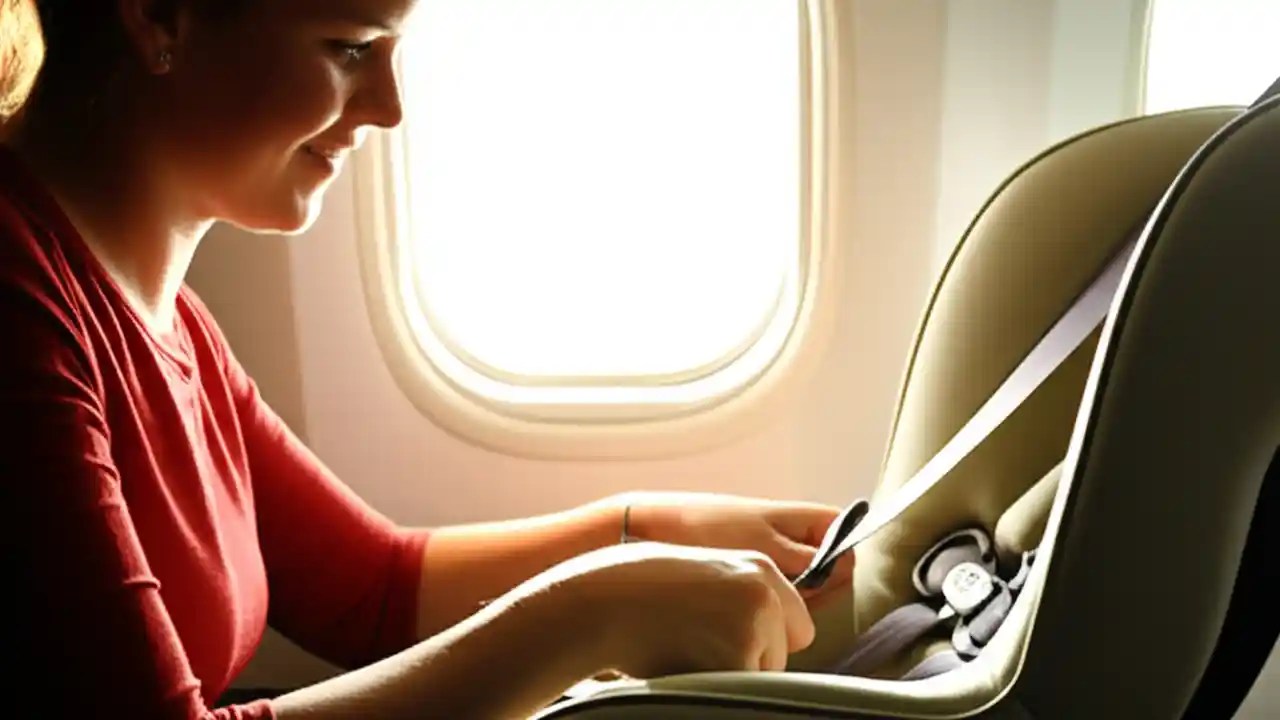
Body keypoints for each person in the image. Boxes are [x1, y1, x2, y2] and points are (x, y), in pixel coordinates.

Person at [0, 1, 856, 718]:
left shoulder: (168, 320)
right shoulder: (16, 301)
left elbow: (371, 589)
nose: (389, 108)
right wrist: (594, 614)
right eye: (350, 48)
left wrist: (645, 526)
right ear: (160, 17)